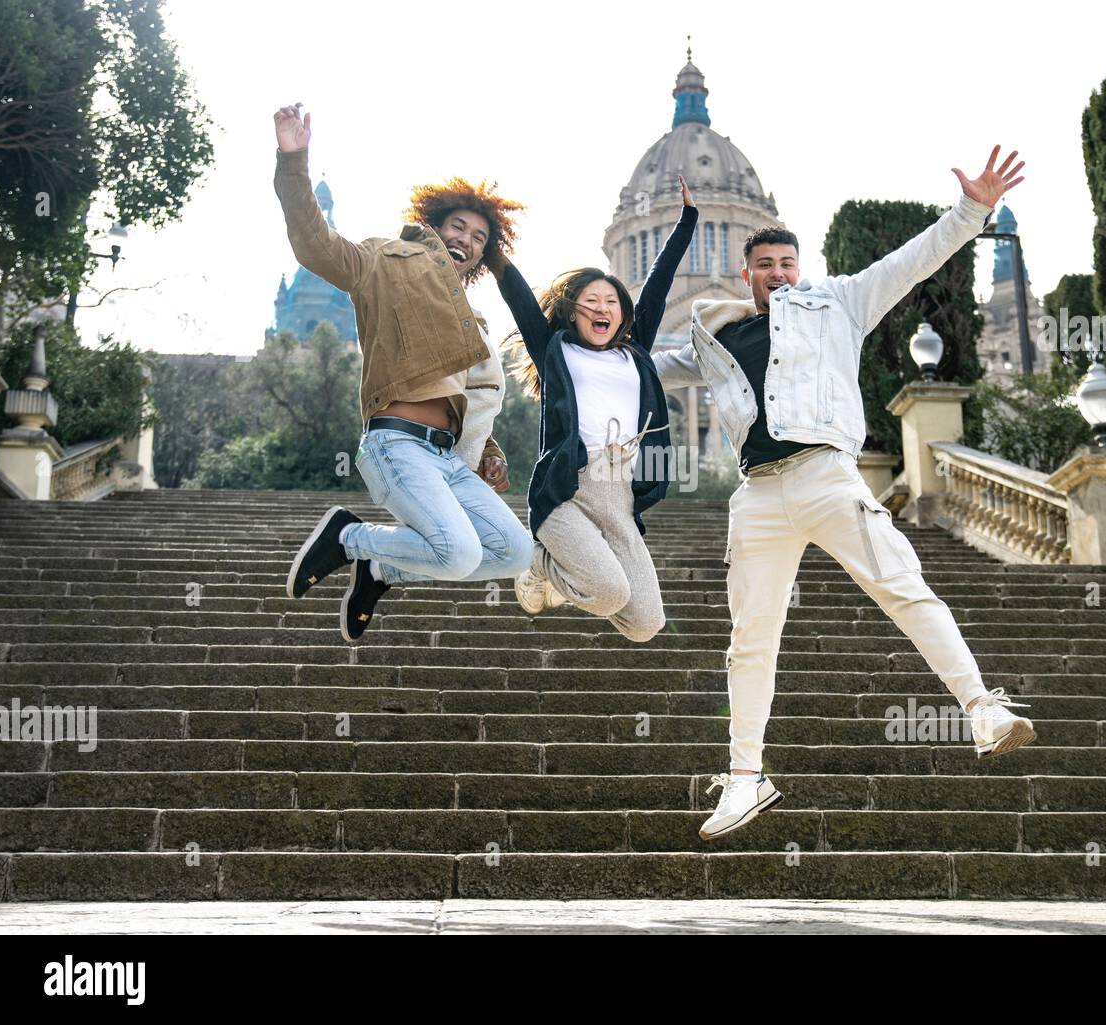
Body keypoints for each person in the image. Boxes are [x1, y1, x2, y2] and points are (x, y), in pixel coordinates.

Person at [654, 146, 1037, 840]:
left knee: (903, 583)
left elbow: (910, 260)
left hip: (827, 472)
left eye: (786, 263)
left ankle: (982, 706)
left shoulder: (836, 302)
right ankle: (745, 777)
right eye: (764, 265)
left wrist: (972, 210)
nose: (776, 274)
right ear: (746, 273)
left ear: (798, 270)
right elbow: (641, 365)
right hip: (758, 493)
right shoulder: (716, 332)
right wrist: (567, 349)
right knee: (750, 639)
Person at [272, 102, 533, 642]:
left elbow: (479, 395)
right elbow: (315, 245)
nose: (466, 239)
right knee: (458, 552)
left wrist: (485, 449)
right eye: (457, 227)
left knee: (514, 551)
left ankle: (380, 568)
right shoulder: (383, 260)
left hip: (449, 458)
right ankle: (350, 537)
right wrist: (293, 162)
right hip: (397, 444)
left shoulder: (473, 320)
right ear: (434, 228)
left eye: (480, 237)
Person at [486, 175, 699, 641]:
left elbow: (659, 287)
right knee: (606, 593)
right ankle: (536, 561)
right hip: (568, 490)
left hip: (619, 495)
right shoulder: (556, 351)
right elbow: (521, 302)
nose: (602, 308)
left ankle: (556, 576)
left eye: (611, 301)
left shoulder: (636, 352)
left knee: (645, 624)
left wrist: (688, 221)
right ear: (571, 311)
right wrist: (494, 252)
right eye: (590, 302)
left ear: (622, 312)